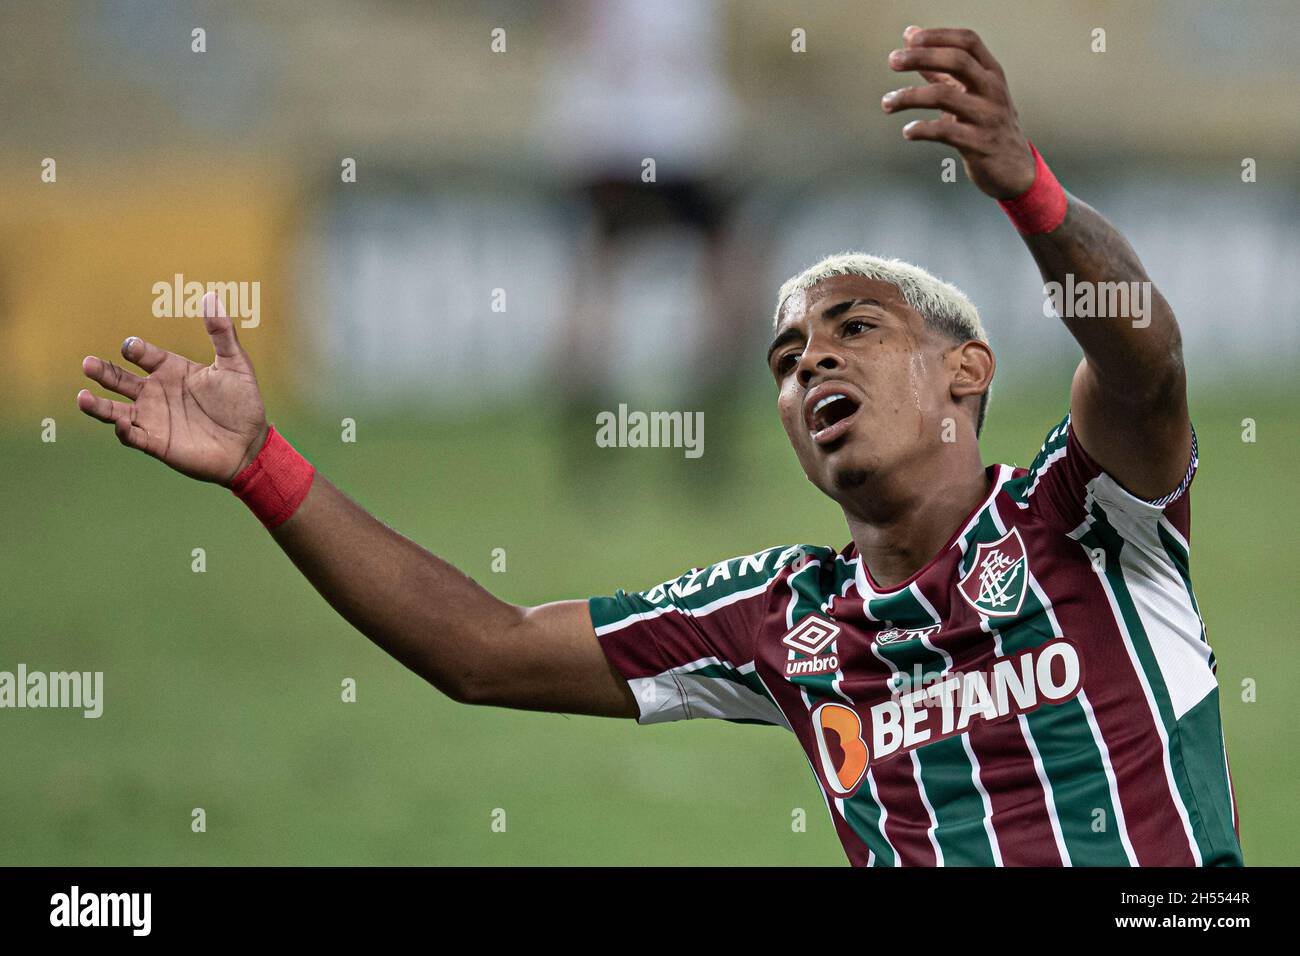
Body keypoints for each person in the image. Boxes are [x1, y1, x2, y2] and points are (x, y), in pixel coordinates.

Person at [77, 26, 1240, 866]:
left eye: (854, 331)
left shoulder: (1081, 515)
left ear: (966, 371)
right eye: (786, 360)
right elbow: (480, 649)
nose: (811, 365)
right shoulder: (784, 618)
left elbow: (1146, 365)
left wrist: (1028, 191)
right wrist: (260, 466)